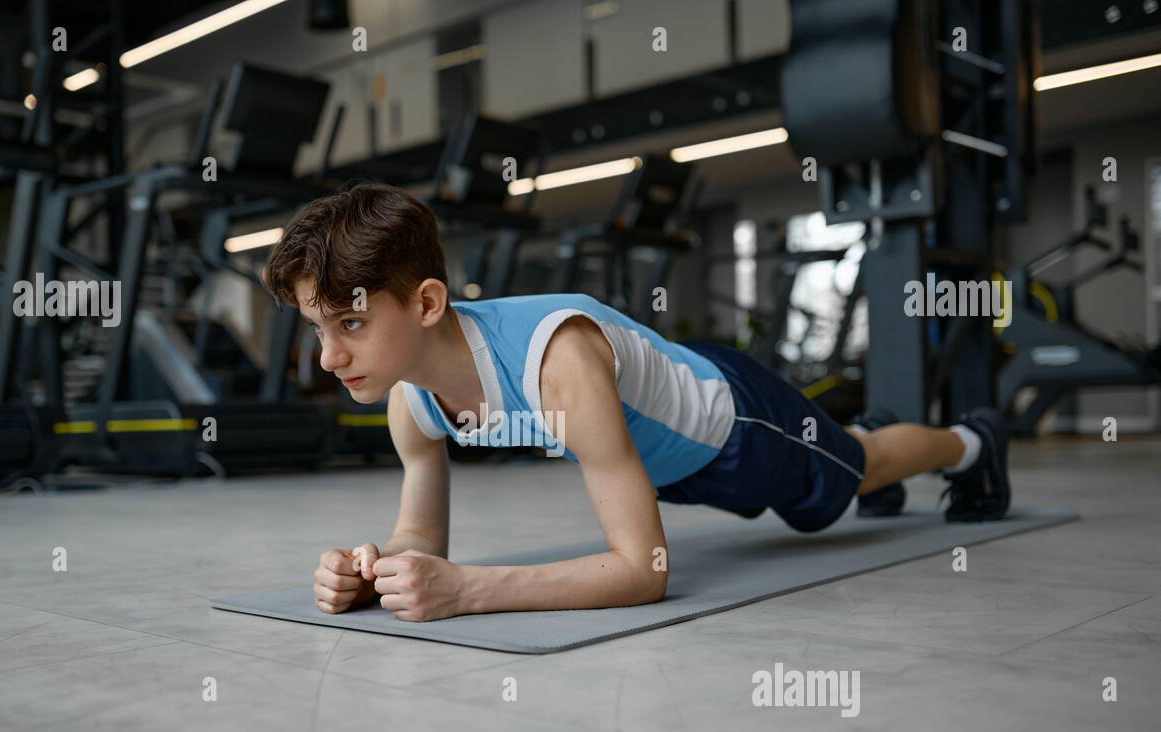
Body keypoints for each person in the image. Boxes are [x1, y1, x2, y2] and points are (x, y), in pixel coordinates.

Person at [261, 183, 1011, 623]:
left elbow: (645, 568)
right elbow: (420, 535)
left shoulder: (558, 365)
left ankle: (972, 444)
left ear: (426, 303)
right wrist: (376, 569)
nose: (329, 358)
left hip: (735, 427)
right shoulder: (411, 402)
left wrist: (472, 591)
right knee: (849, 456)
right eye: (318, 329)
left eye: (351, 323)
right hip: (656, 461)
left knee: (855, 477)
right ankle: (855, 437)